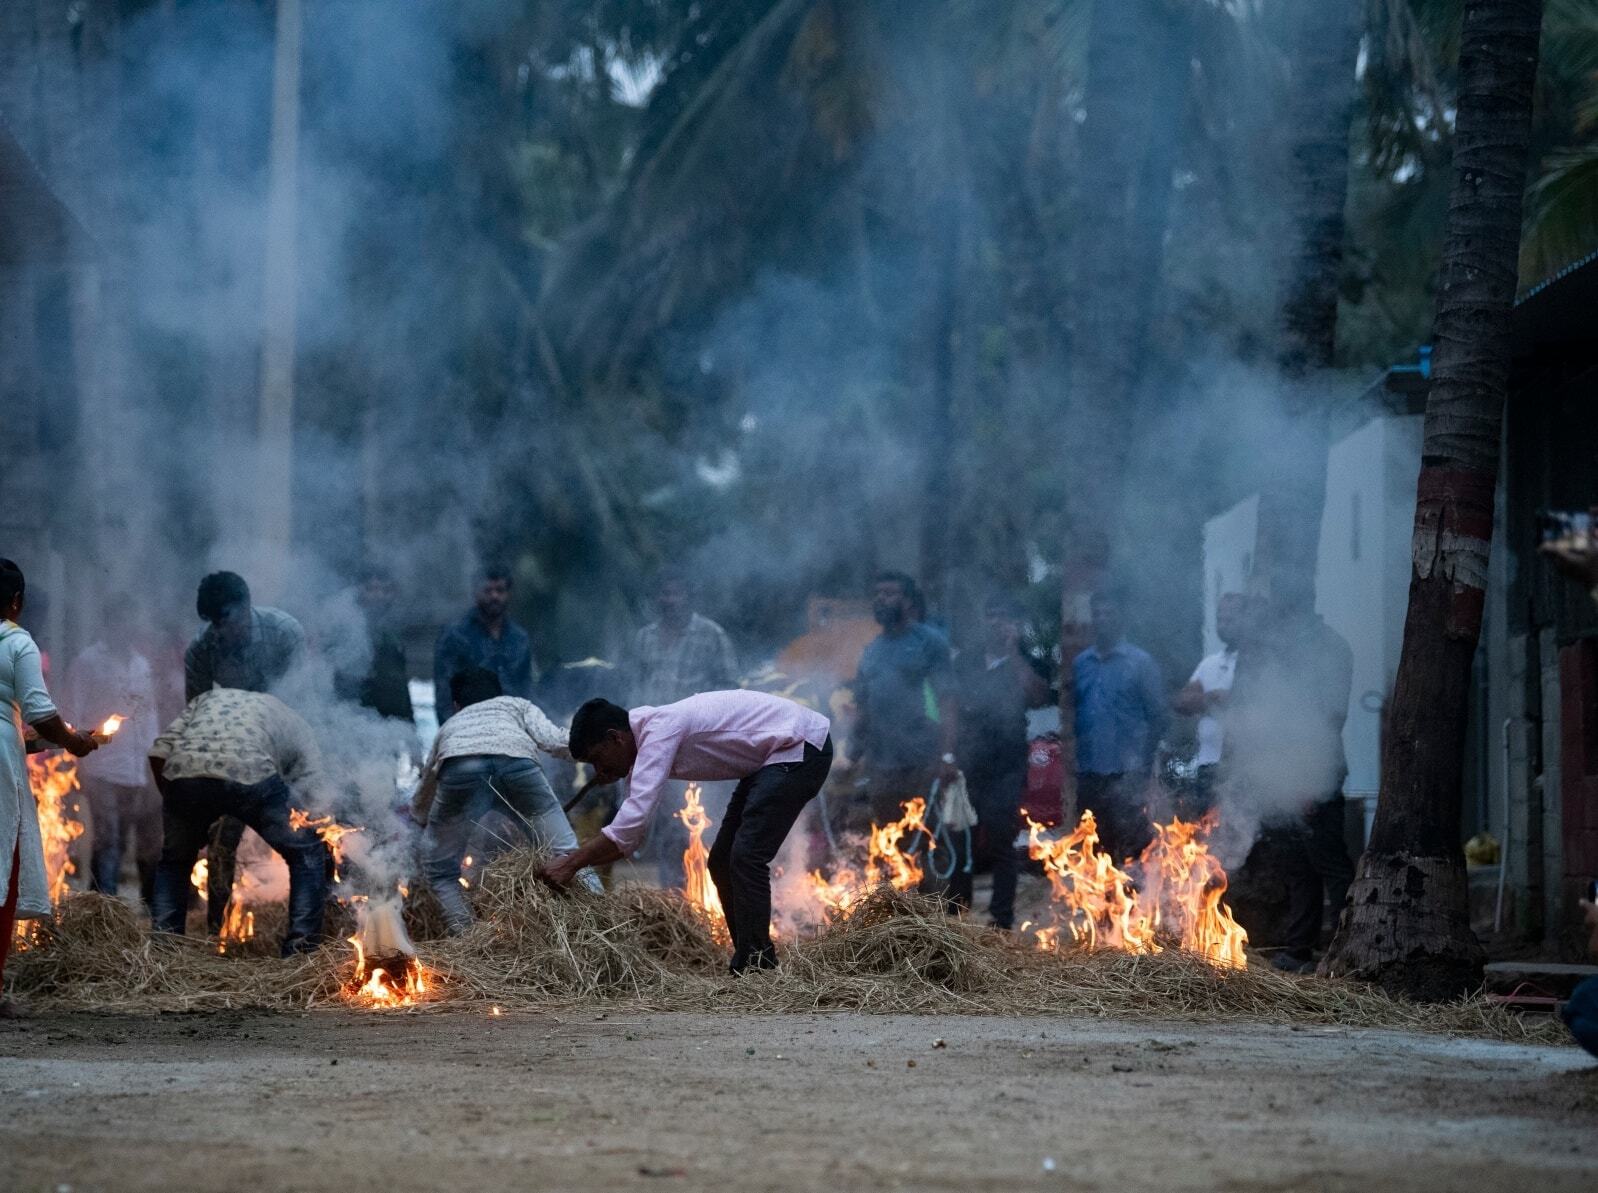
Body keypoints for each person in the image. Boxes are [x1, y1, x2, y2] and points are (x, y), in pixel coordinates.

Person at [537, 691, 833, 973]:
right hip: (771, 757)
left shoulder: (658, 732)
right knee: (721, 861)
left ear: (615, 738)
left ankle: (758, 964)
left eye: (597, 759)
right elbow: (630, 836)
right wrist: (578, 860)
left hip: (799, 745)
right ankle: (750, 959)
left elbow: (629, 826)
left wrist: (571, 863)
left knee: (746, 857)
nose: (598, 769)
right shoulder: (645, 738)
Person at [1224, 589, 1354, 973]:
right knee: (1298, 866)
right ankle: (1300, 950)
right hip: (1279, 771)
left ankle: (1345, 947)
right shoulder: (1279, 646)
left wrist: (1308, 781)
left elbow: (1328, 717)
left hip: (1315, 770)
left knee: (1329, 863)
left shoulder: (1327, 648)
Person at [412, 667, 600, 933]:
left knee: (441, 870)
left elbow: (429, 779)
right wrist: (596, 756)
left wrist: (418, 816)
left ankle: (471, 940)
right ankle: (604, 922)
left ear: (456, 705)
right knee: (568, 853)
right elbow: (555, 740)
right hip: (517, 767)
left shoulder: (450, 726)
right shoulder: (515, 705)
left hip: (460, 770)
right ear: (500, 693)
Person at [147, 688, 331, 955]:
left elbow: (158, 752)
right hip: (248, 772)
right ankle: (300, 951)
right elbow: (313, 787)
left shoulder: (206, 698)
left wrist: (179, 809)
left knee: (175, 862)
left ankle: (164, 952)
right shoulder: (296, 722)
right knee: (306, 853)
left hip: (184, 772)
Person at [0, 560, 99, 1017]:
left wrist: (46, 740)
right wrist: (74, 741)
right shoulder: (16, 640)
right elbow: (39, 712)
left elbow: (26, 728)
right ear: (17, 602)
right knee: (3, 871)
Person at [183, 570, 307, 930]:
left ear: (247, 606)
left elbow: (303, 698)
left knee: (313, 834)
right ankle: (216, 933)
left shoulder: (285, 633)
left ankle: (311, 929)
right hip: (236, 753)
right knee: (221, 840)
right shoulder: (201, 649)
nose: (220, 630)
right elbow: (198, 715)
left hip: (287, 743)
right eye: (212, 623)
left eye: (226, 620)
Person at [629, 570, 739, 888]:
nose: (670, 601)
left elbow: (730, 689)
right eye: (664, 594)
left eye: (676, 594)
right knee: (666, 826)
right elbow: (636, 689)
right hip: (656, 745)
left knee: (702, 822)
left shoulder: (711, 634)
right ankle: (676, 902)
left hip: (697, 745)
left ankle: (710, 893)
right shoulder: (644, 637)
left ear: (689, 597)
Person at [946, 595, 1050, 929]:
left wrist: (1014, 653)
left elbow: (1037, 697)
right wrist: (947, 755)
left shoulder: (1029, 662)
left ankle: (1000, 920)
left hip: (1007, 766)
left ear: (1016, 625)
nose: (994, 623)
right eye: (989, 615)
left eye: (1002, 617)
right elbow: (949, 707)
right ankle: (956, 916)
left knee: (1001, 842)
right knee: (961, 839)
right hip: (967, 763)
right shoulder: (966, 662)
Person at [63, 596, 162, 908]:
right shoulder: (88, 661)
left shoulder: (140, 664)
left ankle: (118, 907)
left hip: (135, 770)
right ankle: (103, 911)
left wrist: (153, 760)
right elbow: (72, 712)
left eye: (132, 622)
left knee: (131, 844)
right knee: (108, 839)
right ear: (109, 624)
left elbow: (149, 716)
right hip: (101, 767)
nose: (129, 628)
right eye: (122, 621)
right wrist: (76, 760)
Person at [850, 573, 958, 828]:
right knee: (889, 836)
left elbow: (948, 701)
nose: (880, 599)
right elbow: (863, 708)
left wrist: (948, 757)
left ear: (908, 602)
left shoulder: (930, 643)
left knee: (926, 833)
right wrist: (851, 756)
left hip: (921, 759)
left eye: (889, 593)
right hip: (881, 763)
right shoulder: (871, 651)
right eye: (877, 594)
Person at [1071, 587, 1169, 864]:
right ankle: (1101, 908)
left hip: (1128, 773)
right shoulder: (1081, 664)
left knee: (1133, 849)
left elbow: (1159, 716)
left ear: (1121, 618)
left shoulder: (1140, 663)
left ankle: (1136, 905)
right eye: (1097, 613)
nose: (1102, 619)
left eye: (1109, 613)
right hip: (1090, 773)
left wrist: (1143, 764)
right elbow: (1074, 713)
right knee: (1095, 849)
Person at [1172, 592, 1245, 817]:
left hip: (1240, 772)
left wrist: (1212, 701)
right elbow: (1183, 702)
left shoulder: (1254, 664)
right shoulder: (1210, 664)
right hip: (1207, 767)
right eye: (1219, 619)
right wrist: (1212, 699)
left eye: (1229, 620)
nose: (1223, 625)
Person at [433, 565, 535, 720]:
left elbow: (527, 690)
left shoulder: (519, 638)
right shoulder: (455, 636)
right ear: (476, 592)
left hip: (512, 728)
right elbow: (444, 694)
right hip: (471, 726)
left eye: (500, 590)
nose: (494, 596)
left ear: (508, 593)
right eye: (488, 590)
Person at [334, 564, 414, 723]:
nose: (378, 595)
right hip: (355, 712)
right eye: (371, 589)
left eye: (385, 590)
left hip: (392, 713)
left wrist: (409, 721)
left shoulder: (394, 625)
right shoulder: (344, 624)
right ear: (359, 589)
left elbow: (400, 682)